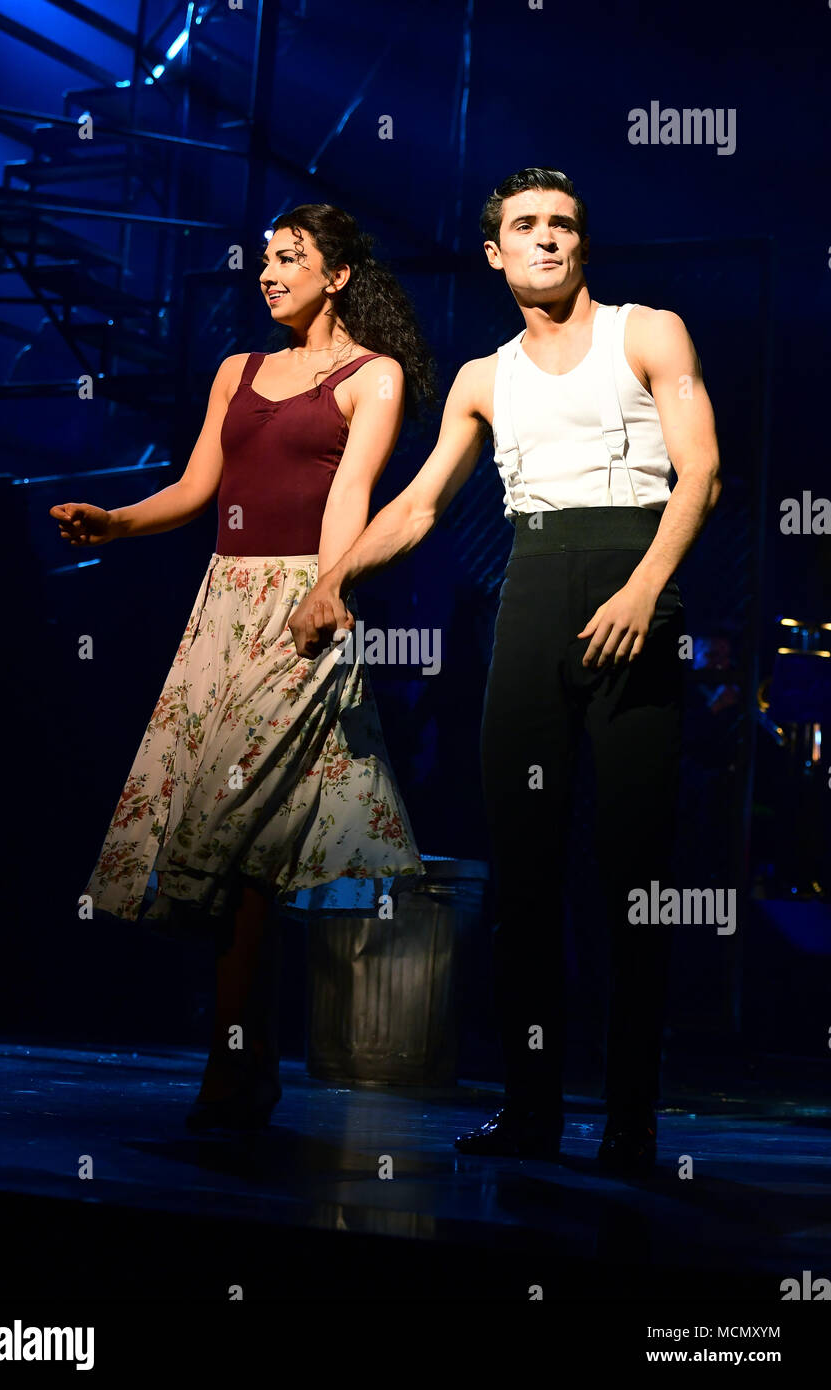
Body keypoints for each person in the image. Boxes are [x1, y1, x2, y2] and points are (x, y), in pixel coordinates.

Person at [289, 168, 722, 1177]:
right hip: (533, 593)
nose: (547, 239)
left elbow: (698, 467)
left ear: (583, 242)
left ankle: (631, 1119)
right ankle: (531, 1110)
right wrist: (336, 579)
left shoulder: (649, 330)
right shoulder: (485, 375)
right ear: (494, 252)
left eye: (564, 223)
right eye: (525, 225)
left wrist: (647, 588)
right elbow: (420, 503)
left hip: (633, 582)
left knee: (634, 876)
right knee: (523, 872)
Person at [51, 204, 435, 1132]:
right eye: (265, 259)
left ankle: (235, 1051)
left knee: (239, 821)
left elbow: (352, 493)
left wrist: (331, 590)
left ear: (337, 275)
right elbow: (194, 488)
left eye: (290, 259)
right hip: (222, 603)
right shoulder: (240, 370)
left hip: (302, 602)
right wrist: (116, 521)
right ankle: (243, 1049)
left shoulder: (371, 377)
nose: (268, 273)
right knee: (213, 824)